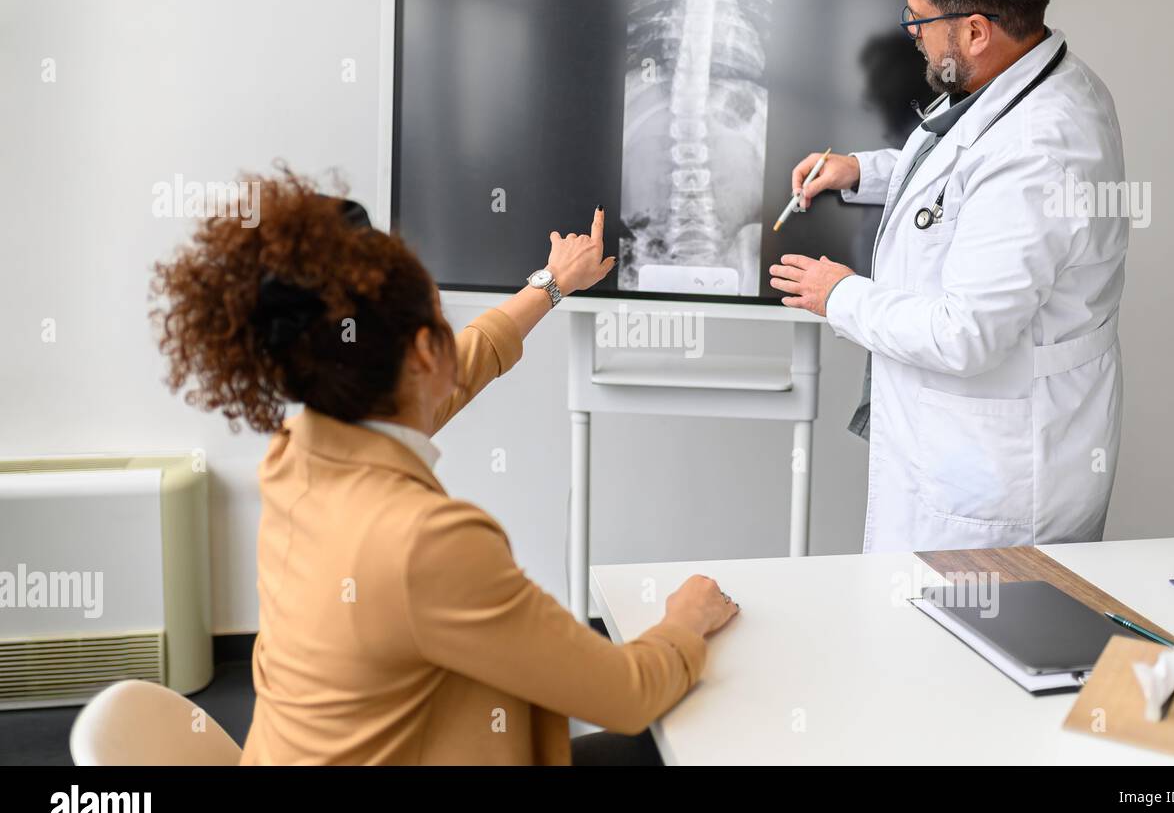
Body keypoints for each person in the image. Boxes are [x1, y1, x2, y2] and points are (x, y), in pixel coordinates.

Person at [149, 169, 738, 765]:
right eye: (440, 323)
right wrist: (685, 620)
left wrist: (552, 285)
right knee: (668, 743)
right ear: (426, 352)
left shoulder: (298, 449)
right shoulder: (427, 543)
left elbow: (455, 373)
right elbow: (626, 694)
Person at [771, 0, 1127, 552]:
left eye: (920, 17)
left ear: (975, 32)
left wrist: (841, 295)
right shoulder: (1028, 79)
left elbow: (966, 334)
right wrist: (862, 172)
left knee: (957, 647)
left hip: (994, 487)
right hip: (973, 452)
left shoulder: (1041, 145)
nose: (908, 28)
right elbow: (960, 169)